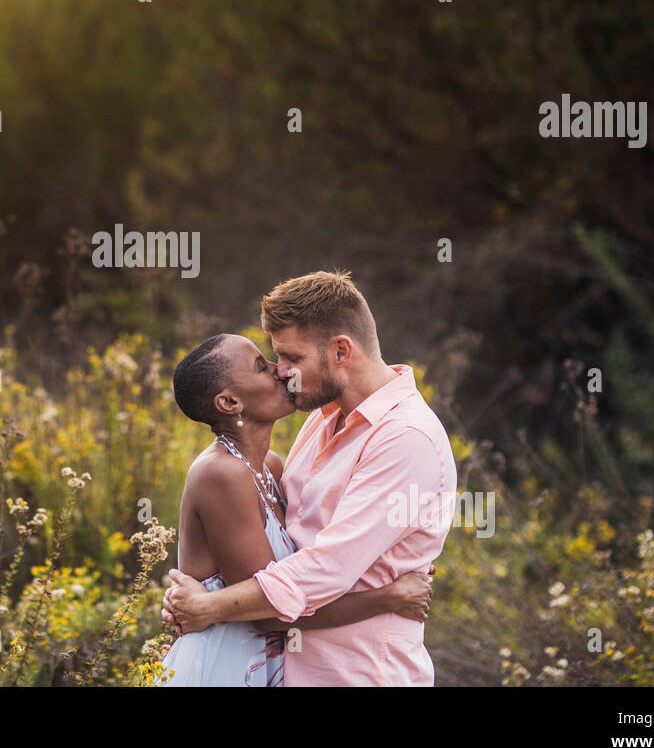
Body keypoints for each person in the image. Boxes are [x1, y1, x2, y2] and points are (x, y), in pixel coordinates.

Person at [163, 270, 457, 686]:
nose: (282, 372)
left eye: (292, 359)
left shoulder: (405, 438)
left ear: (341, 351)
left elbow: (325, 569)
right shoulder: (321, 421)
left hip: (359, 674)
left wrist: (211, 606)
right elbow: (270, 551)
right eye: (274, 359)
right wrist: (205, 590)